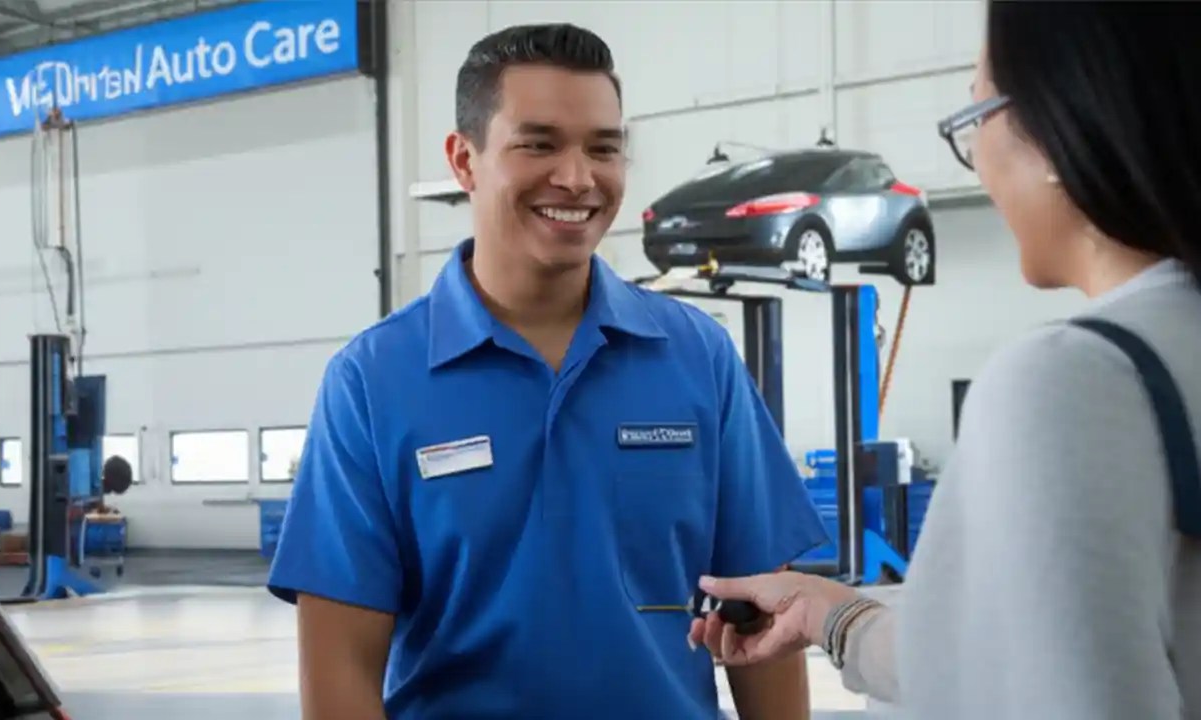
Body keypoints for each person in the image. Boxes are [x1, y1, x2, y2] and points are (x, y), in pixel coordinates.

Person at [267, 22, 830, 720]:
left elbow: (763, 621)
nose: (577, 177)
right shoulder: (372, 382)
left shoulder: (696, 357)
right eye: (538, 143)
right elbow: (341, 666)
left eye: (603, 148)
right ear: (464, 160)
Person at [689, 3, 1201, 719]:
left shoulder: (1073, 381)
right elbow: (1007, 649)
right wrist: (833, 616)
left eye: (977, 115)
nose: (979, 155)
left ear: (1057, 127)